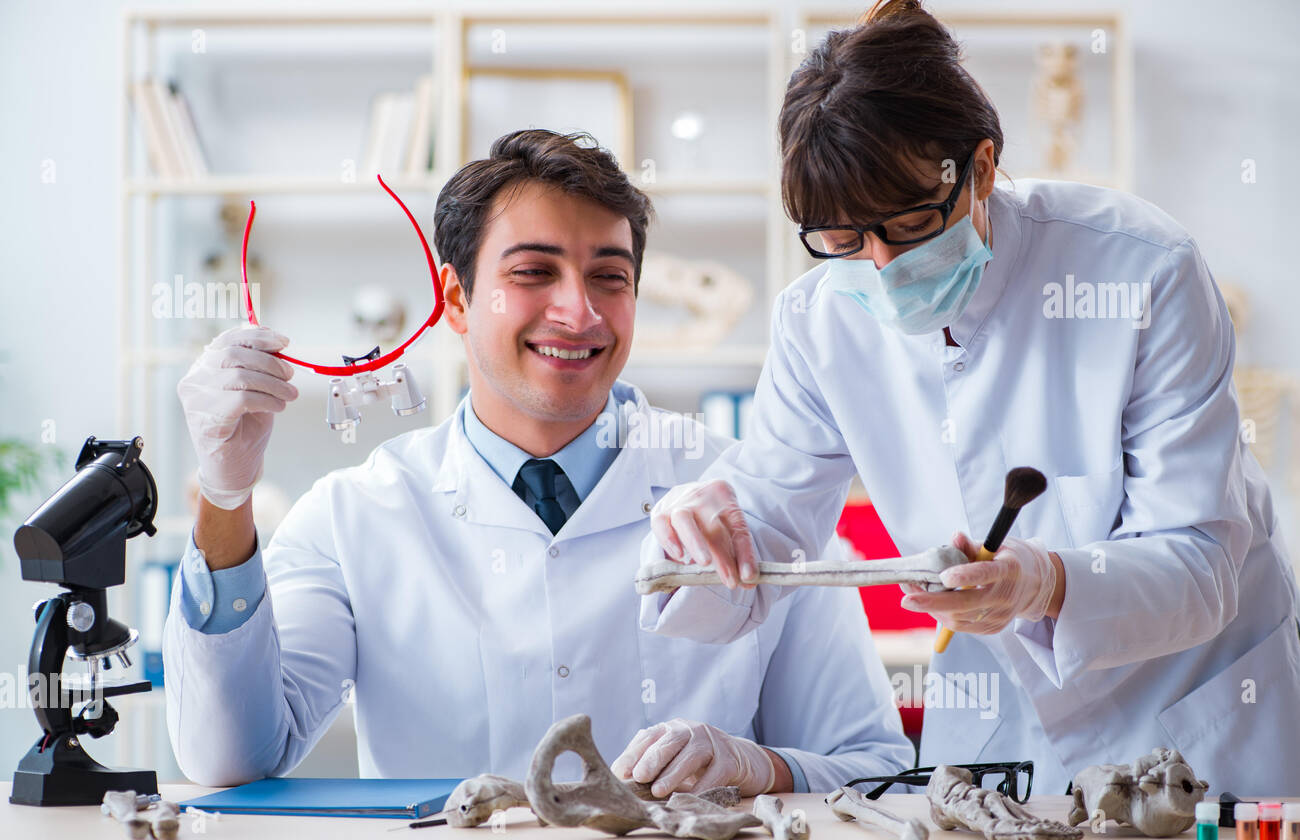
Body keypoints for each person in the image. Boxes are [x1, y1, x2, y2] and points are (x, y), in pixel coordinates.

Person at [641, 0, 1300, 796]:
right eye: (843, 241)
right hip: (1000, 716)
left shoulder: (1142, 269)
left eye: (911, 225)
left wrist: (1048, 583)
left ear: (981, 168)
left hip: (1194, 713)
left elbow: (1199, 565)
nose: (882, 268)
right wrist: (693, 539)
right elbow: (763, 538)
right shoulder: (817, 324)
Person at [164, 128, 912, 795]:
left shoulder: (758, 501)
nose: (579, 312)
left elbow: (873, 769)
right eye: (533, 272)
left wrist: (760, 769)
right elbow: (229, 755)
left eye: (610, 277)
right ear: (456, 299)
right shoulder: (354, 516)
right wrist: (225, 500)